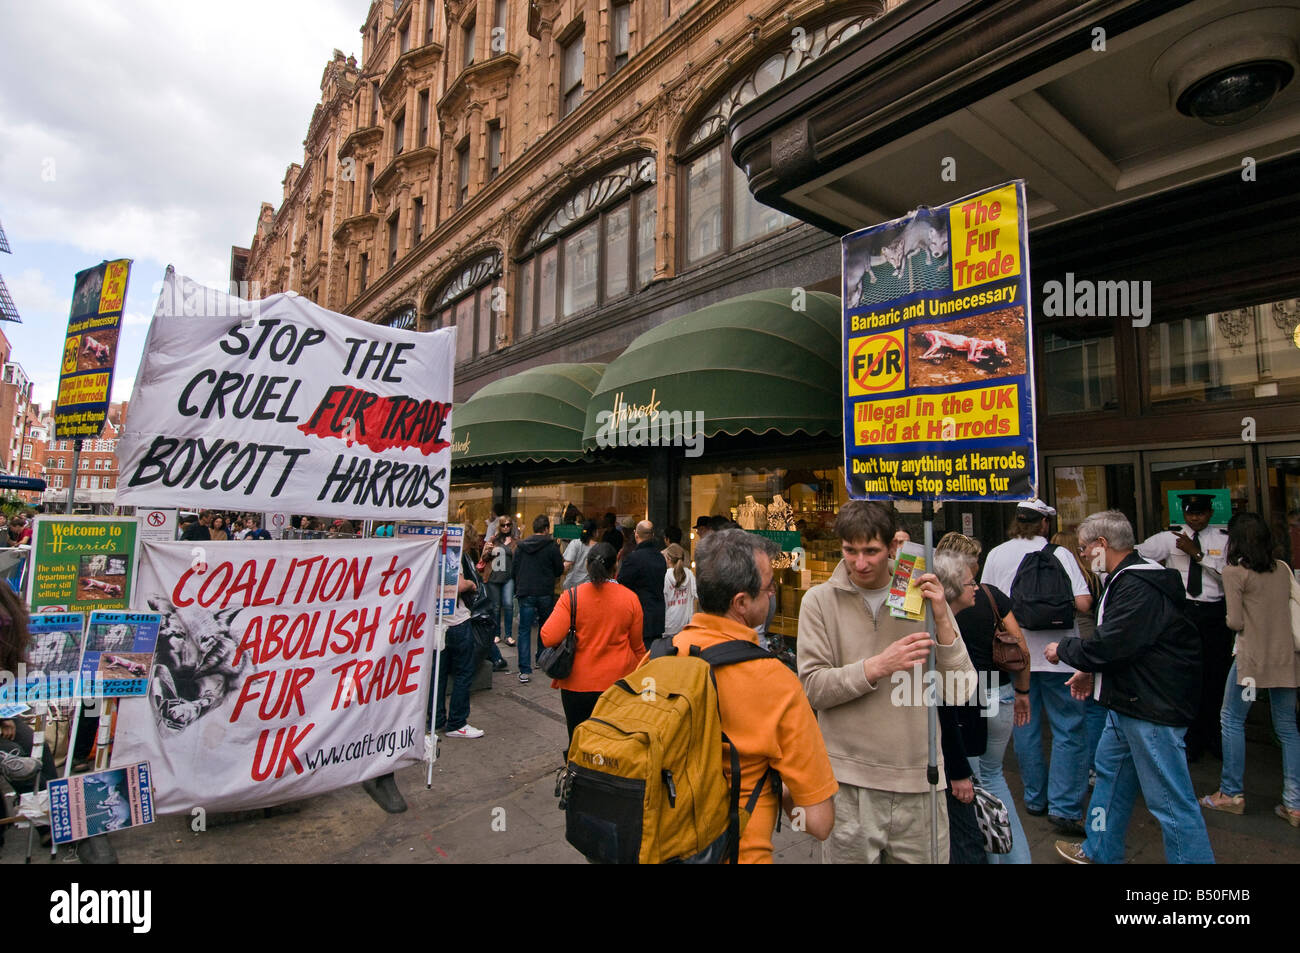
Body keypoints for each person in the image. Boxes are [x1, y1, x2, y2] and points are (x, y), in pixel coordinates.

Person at [798, 500, 975, 864]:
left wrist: (942, 617)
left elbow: (961, 690)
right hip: (849, 783)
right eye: (850, 551)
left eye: (871, 551)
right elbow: (813, 687)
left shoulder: (922, 593)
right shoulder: (818, 601)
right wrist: (877, 666)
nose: (860, 563)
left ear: (893, 546)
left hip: (920, 781)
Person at [653, 529, 837, 863]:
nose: (773, 592)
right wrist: (776, 792)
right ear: (741, 603)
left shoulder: (656, 661)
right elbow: (819, 823)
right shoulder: (777, 683)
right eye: (768, 586)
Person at [1049, 509, 1214, 864]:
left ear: (1101, 545)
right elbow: (1133, 646)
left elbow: (1112, 644)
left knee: (1170, 801)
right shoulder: (1130, 579)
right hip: (1128, 701)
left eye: (1082, 548)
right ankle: (1098, 849)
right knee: (1110, 779)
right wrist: (1094, 673)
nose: (1081, 555)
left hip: (1149, 707)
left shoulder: (1136, 585)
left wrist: (1064, 650)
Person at [981, 498, 1093, 836]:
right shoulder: (1061, 555)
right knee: (1068, 730)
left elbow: (985, 601)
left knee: (1024, 728)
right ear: (1044, 524)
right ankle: (1064, 806)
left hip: (1016, 656)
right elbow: (1085, 602)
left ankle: (1034, 798)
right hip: (1061, 656)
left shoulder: (997, 554)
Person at [1199, 512, 1300, 827]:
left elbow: (1234, 622)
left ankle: (1231, 793)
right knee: (1287, 728)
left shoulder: (1233, 572)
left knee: (1231, 720)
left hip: (1252, 662)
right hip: (1285, 657)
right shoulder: (1282, 569)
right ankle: (1294, 804)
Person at [937, 531, 1033, 864]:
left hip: (968, 703)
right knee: (994, 778)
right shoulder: (991, 596)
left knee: (972, 787)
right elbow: (1020, 648)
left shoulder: (939, 607)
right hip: (1001, 693)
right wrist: (1022, 691)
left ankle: (990, 856)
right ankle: (1016, 857)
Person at [1137, 492, 1231, 761]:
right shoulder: (1169, 538)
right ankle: (1190, 739)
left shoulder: (1222, 539)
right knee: (1184, 677)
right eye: (1190, 514)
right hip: (1184, 613)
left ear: (1210, 514)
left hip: (1214, 613)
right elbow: (1136, 555)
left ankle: (1214, 736)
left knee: (1215, 676)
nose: (1195, 519)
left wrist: (1197, 554)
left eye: (1200, 514)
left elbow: (1229, 576)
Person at [540, 543, 644, 742]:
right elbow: (637, 646)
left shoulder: (571, 597)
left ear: (587, 566)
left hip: (576, 685)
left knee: (578, 739)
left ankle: (577, 771)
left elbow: (548, 637)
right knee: (614, 741)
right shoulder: (630, 599)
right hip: (618, 684)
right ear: (616, 568)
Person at [930, 548, 989, 864]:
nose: (977, 587)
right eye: (971, 583)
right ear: (952, 590)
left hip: (964, 751)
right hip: (953, 759)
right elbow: (944, 709)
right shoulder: (942, 635)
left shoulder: (963, 622)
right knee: (965, 844)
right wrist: (959, 771)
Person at [1053, 529, 1107, 782]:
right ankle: (1093, 764)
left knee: (1071, 709)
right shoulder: (1093, 576)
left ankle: (1075, 766)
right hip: (1090, 635)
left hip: (1066, 641)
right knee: (1095, 706)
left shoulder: (1056, 574)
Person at [427, 546, 487, 740]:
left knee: (437, 674)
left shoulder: (423, 551)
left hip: (433, 622)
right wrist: (471, 583)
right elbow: (458, 586)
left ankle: (434, 720)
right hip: (456, 622)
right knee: (463, 672)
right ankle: (457, 722)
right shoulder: (450, 550)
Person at [510, 515, 564, 684]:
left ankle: (524, 670)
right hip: (545, 592)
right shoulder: (552, 547)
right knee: (545, 627)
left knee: (524, 630)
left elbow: (514, 569)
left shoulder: (521, 547)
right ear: (546, 529)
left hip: (526, 591)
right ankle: (542, 658)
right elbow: (559, 569)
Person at [617, 520, 667, 650]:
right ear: (652, 535)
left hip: (640, 615)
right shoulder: (661, 557)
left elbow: (621, 585)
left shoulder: (634, 559)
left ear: (636, 534)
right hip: (658, 614)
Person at [482, 516, 519, 651]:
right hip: (493, 577)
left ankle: (508, 634)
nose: (506, 527)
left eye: (508, 525)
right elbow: (484, 558)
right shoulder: (493, 540)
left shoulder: (515, 542)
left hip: (508, 577)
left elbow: (517, 558)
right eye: (503, 525)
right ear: (499, 526)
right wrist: (488, 548)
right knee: (496, 607)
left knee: (508, 605)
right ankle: (496, 633)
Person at [661, 542, 697, 639]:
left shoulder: (665, 576)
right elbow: (695, 599)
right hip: (685, 625)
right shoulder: (689, 574)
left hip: (668, 624)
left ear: (668, 559)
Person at [562, 519, 597, 589]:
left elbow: (567, 565)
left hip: (572, 586)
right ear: (594, 532)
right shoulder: (598, 547)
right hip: (588, 587)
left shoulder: (575, 543)